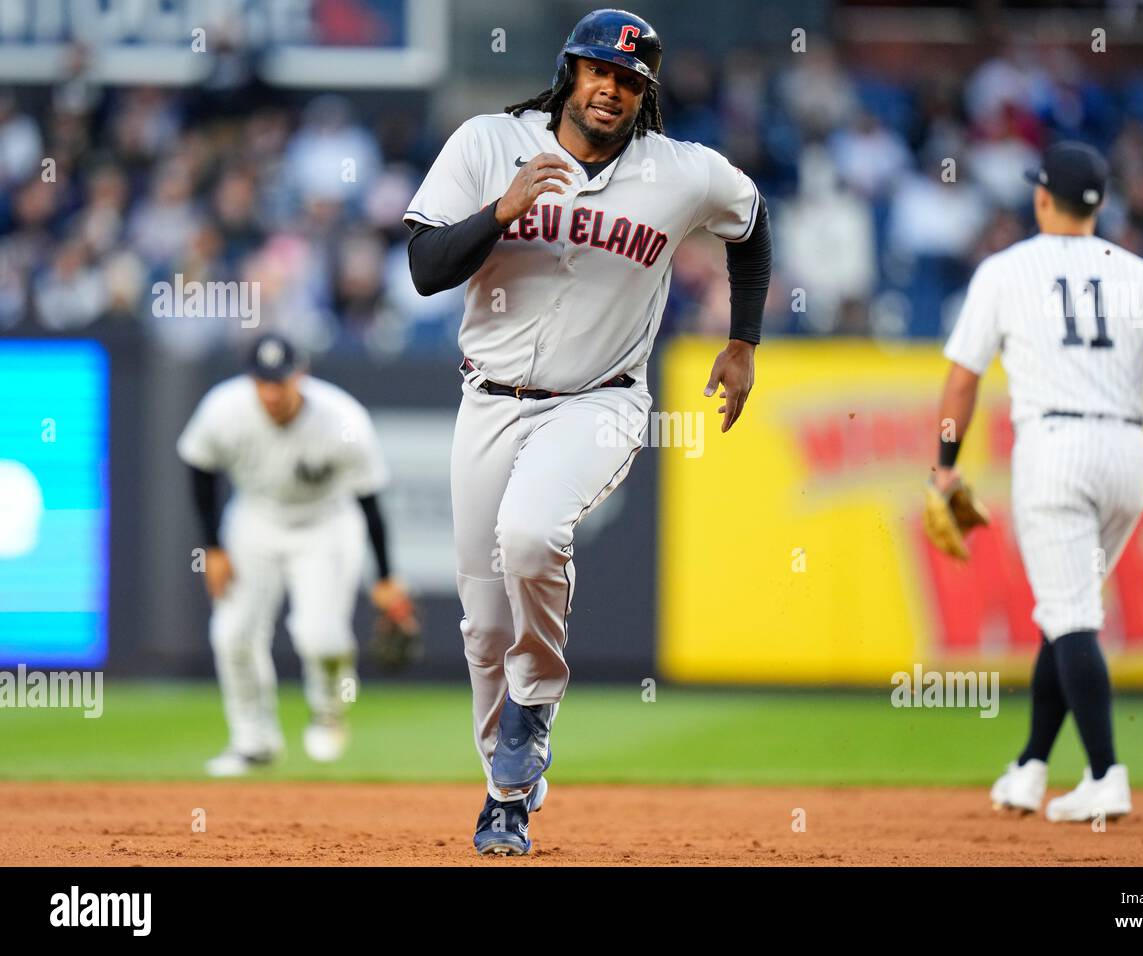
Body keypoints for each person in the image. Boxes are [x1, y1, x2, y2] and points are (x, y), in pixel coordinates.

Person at [404, 8, 771, 854]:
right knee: (484, 625)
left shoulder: (682, 173)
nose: (612, 88)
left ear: (646, 95)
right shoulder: (490, 142)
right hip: (489, 399)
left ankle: (535, 703)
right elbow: (425, 269)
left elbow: (751, 228)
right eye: (599, 71)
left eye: (631, 79)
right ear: (571, 71)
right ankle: (506, 793)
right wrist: (502, 210)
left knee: (532, 535)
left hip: (600, 399)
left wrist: (743, 340)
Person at [931, 142, 1143, 822]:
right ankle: (1030, 766)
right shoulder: (1142, 273)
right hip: (1129, 455)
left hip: (1054, 450)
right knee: (1066, 608)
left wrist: (947, 464)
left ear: (1043, 199)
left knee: (1070, 614)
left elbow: (963, 378)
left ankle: (1106, 774)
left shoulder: (1006, 270)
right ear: (1101, 205)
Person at [178, 333, 410, 776]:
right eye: (262, 382)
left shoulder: (342, 419)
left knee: (319, 636)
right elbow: (199, 467)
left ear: (299, 376)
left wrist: (385, 576)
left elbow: (370, 500)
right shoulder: (224, 408)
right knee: (232, 634)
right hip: (254, 517)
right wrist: (212, 547)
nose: (271, 392)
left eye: (279, 381)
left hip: (326, 523)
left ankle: (329, 708)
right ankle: (253, 742)